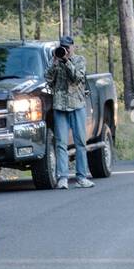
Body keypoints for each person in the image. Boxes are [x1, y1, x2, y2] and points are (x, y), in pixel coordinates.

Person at [44, 35, 93, 190]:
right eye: (62, 46)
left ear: (73, 47)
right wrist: (55, 63)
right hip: (60, 106)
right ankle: (63, 177)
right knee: (61, 143)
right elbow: (48, 79)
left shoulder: (79, 60)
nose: (65, 49)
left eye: (67, 47)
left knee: (80, 142)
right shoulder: (56, 61)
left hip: (77, 105)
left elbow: (77, 78)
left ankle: (81, 177)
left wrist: (66, 61)